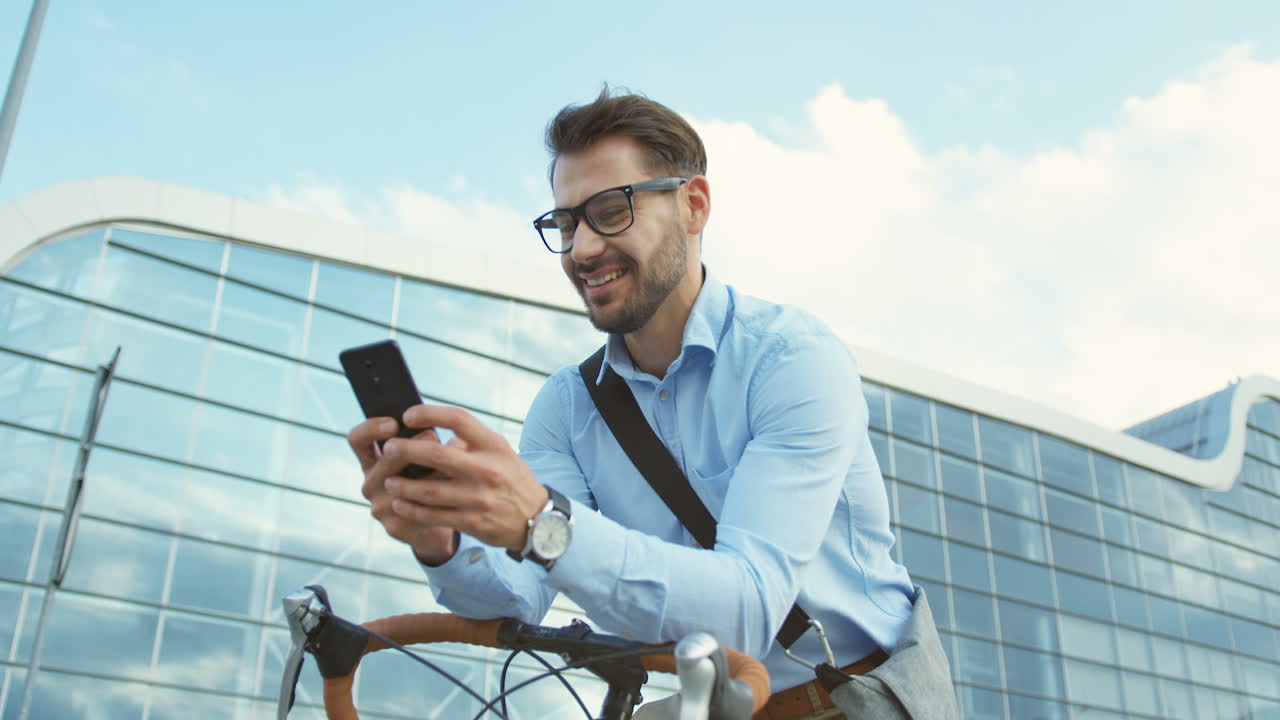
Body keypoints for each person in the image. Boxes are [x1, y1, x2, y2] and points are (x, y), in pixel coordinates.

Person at [348, 88, 955, 719]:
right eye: (566, 224)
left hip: (854, 701)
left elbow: (747, 611)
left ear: (694, 205)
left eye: (611, 211)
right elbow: (516, 598)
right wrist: (442, 541)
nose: (582, 249)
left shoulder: (791, 358)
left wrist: (540, 523)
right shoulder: (566, 408)